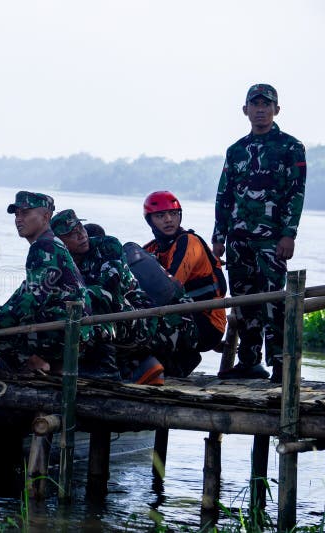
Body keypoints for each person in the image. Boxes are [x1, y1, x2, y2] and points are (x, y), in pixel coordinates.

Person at [0, 192, 119, 379]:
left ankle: (24, 367)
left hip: (62, 334)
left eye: (25, 213)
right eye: (16, 215)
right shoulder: (52, 245)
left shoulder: (45, 247)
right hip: (67, 331)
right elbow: (24, 293)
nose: (18, 219)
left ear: (46, 217)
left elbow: (30, 301)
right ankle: (37, 365)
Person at [212, 84, 307, 382]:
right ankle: (249, 361)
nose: (261, 109)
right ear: (246, 110)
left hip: (272, 240)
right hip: (238, 239)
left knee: (273, 301)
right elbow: (224, 195)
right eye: (255, 104)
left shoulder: (291, 148)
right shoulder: (236, 150)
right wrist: (218, 237)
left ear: (277, 110)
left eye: (267, 104)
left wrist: (288, 234)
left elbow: (296, 193)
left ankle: (280, 364)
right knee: (244, 301)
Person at [51, 209, 164, 384]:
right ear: (60, 242)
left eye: (80, 228)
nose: (81, 235)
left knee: (92, 295)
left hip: (139, 319)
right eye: (72, 234)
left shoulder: (108, 246)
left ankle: (106, 367)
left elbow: (109, 284)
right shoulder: (58, 261)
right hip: (109, 323)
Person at [143, 191, 227, 357]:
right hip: (183, 315)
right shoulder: (151, 249)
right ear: (150, 221)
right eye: (160, 215)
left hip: (207, 321)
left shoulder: (188, 242)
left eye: (173, 214)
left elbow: (170, 287)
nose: (168, 220)